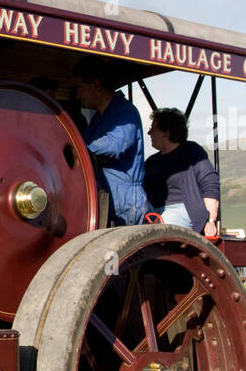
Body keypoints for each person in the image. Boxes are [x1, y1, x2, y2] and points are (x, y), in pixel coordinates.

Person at [73, 58, 151, 225]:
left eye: (80, 87)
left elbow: (115, 145)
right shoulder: (98, 118)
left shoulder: (125, 112)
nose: (77, 95)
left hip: (125, 201)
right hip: (106, 196)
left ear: (96, 85)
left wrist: (76, 147)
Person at [143, 108, 221, 238]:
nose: (149, 132)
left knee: (154, 233)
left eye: (153, 128)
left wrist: (210, 221)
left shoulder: (191, 151)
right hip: (153, 212)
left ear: (166, 132)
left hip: (183, 208)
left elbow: (210, 183)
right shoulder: (151, 161)